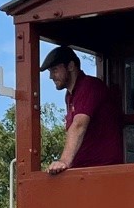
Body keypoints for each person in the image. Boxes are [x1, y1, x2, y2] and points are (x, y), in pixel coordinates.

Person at [42, 45, 120, 173]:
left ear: (71, 66)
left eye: (55, 70)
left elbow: (79, 125)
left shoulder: (89, 86)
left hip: (101, 169)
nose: (51, 76)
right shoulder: (69, 96)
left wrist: (64, 161)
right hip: (83, 170)